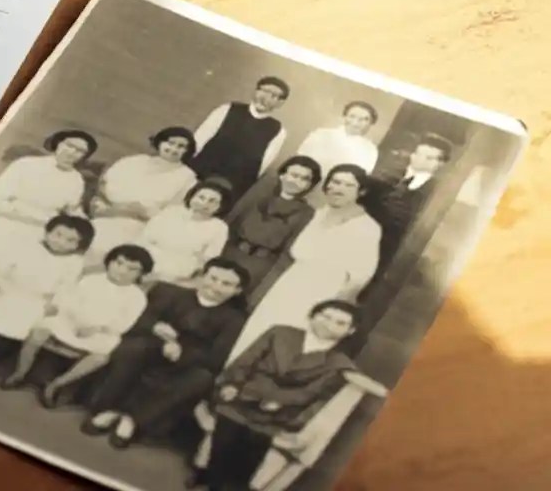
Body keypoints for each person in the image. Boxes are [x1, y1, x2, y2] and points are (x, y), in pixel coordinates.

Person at [81, 258, 250, 449]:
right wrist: (155, 327)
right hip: (152, 347)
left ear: (237, 291)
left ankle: (132, 419)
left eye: (226, 284)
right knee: (132, 348)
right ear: (203, 276)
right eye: (213, 278)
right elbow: (138, 320)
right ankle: (109, 409)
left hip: (187, 364)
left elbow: (217, 357)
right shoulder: (169, 292)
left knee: (202, 378)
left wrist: (182, 351)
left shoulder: (234, 319)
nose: (216, 286)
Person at [199, 300, 361, 491]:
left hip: (279, 414)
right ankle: (210, 479)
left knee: (254, 447)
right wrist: (234, 384)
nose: (329, 324)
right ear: (312, 316)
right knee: (225, 434)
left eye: (340, 323)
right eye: (325, 316)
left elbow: (312, 393)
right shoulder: (280, 333)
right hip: (241, 396)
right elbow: (246, 360)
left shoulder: (338, 363)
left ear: (350, 331)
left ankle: (230, 483)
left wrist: (279, 403)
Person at [230, 164, 380, 359]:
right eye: (335, 182)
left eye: (348, 185)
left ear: (361, 191)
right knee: (258, 333)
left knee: (289, 346)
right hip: (289, 284)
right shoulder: (316, 214)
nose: (338, 188)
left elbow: (361, 276)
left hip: (324, 294)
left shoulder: (367, 227)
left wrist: (331, 311)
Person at [0, 215, 93, 378]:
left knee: (23, 327)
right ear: (48, 232)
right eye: (58, 234)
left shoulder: (74, 263)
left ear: (79, 245)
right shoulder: (29, 246)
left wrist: (54, 303)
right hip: (10, 287)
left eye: (70, 240)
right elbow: (4, 265)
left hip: (37, 299)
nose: (60, 242)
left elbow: (66, 287)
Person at [2, 245, 153, 407]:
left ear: (141, 274)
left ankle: (56, 385)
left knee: (101, 356)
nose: (122, 271)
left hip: (100, 332)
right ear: (110, 262)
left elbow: (123, 324)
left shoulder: (136, 297)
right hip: (71, 321)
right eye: (119, 263)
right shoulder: (91, 280)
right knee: (40, 329)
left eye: (132, 269)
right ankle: (20, 373)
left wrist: (95, 328)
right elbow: (70, 302)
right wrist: (74, 320)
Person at [0, 129, 96, 257]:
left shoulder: (76, 179)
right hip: (2, 226)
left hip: (39, 235)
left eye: (80, 151)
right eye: (69, 145)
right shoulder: (26, 165)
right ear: (58, 143)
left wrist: (87, 226)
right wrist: (34, 216)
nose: (72, 152)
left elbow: (72, 209)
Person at [221, 155, 322, 301]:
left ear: (309, 186)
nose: (296, 182)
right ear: (282, 175)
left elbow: (288, 251)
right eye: (294, 175)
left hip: (259, 268)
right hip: (230, 254)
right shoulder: (260, 193)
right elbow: (233, 219)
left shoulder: (307, 213)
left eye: (304, 179)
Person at [88, 127, 198, 259]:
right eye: (170, 143)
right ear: (160, 142)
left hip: (142, 226)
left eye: (181, 146)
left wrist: (140, 212)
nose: (174, 149)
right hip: (108, 213)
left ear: (187, 151)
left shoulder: (187, 177)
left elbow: (175, 213)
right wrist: (116, 209)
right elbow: (105, 186)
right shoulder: (135, 161)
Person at [190, 77, 290, 206]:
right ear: (255, 91)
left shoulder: (278, 131)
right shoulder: (228, 109)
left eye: (274, 96)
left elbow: (260, 168)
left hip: (228, 188)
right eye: (264, 91)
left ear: (280, 103)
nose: (266, 98)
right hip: (196, 175)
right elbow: (198, 141)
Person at [368, 134, 452, 270]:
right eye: (418, 154)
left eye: (429, 158)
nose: (420, 160)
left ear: (440, 164)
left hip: (390, 250)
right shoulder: (387, 175)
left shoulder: (435, 193)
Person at [134, 179, 231, 285]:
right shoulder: (172, 211)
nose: (204, 204)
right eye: (201, 197)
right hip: (147, 255)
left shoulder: (219, 228)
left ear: (220, 206)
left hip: (178, 269)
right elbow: (146, 236)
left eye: (212, 201)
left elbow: (208, 259)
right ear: (192, 197)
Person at [296, 101, 380, 177]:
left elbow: (361, 175)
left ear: (371, 123)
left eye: (364, 119)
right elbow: (301, 159)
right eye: (352, 116)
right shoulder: (321, 134)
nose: (356, 122)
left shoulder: (370, 150)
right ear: (344, 117)